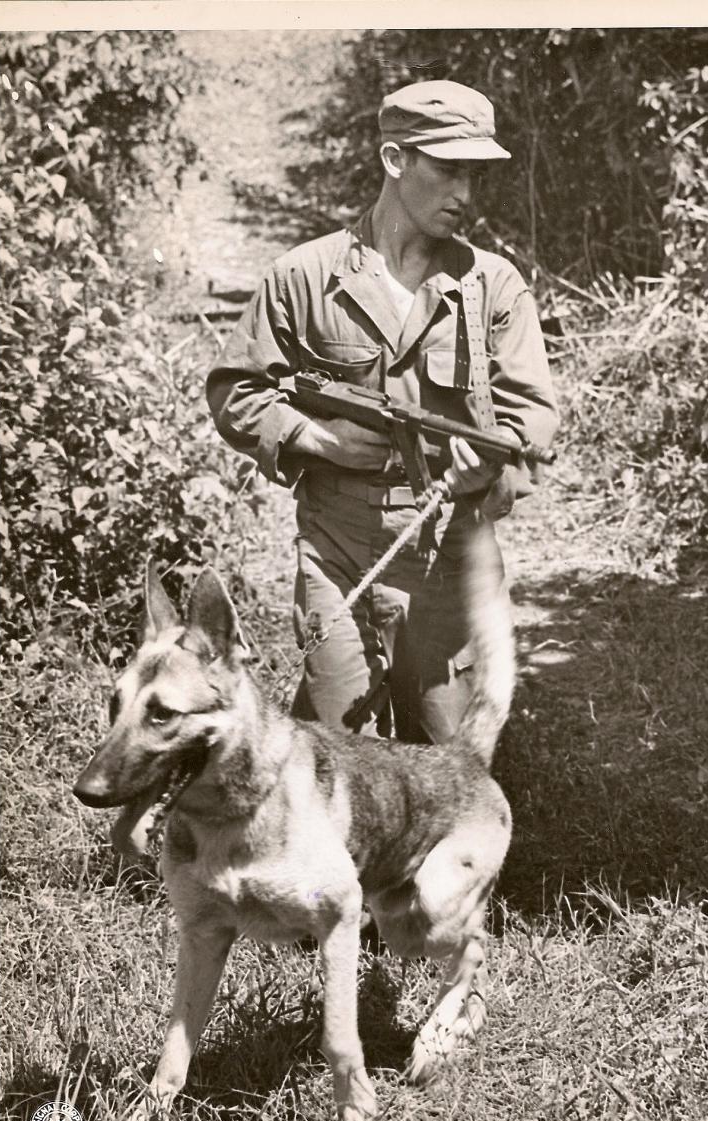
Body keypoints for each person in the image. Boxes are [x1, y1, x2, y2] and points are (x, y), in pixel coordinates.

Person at [207, 80, 558, 744]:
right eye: (448, 169)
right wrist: (315, 439)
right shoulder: (301, 277)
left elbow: (531, 415)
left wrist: (489, 457)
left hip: (444, 552)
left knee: (441, 759)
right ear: (395, 160)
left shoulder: (493, 286)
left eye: (473, 175)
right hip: (335, 547)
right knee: (338, 756)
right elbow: (236, 391)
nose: (465, 194)